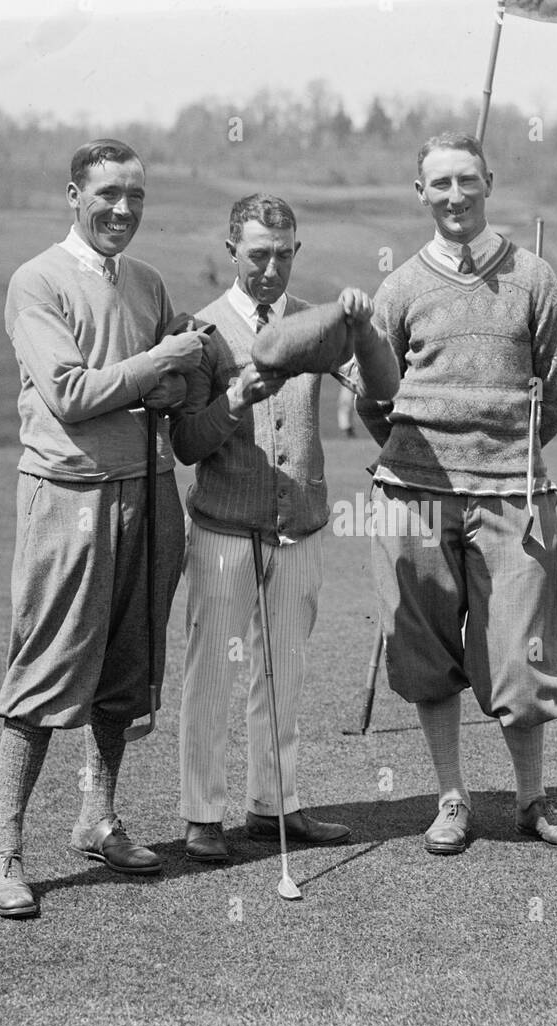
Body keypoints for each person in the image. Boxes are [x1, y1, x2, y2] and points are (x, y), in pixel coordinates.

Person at [0, 138, 212, 918]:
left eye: (136, 196)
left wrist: (175, 372)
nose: (122, 209)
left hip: (150, 492)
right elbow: (73, 393)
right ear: (73, 195)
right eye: (108, 193)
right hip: (70, 495)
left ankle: (98, 816)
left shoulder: (146, 283)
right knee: (46, 666)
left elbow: (174, 388)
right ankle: (4, 847)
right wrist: (161, 365)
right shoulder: (37, 281)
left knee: (127, 667)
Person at [356, 132, 557, 856]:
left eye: (466, 180)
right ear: (419, 193)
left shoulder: (532, 277)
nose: (454, 195)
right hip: (413, 498)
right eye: (439, 184)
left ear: (488, 181)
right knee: (425, 654)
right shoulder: (399, 287)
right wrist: (418, 455)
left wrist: (503, 455)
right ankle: (452, 797)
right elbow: (376, 398)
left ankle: (531, 799)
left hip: (513, 499)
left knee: (522, 662)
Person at [171, 193, 399, 863]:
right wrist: (234, 399)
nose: (271, 268)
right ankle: (202, 814)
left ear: (297, 251)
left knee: (285, 673)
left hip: (299, 525)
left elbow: (382, 390)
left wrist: (364, 326)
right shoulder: (202, 331)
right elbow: (188, 441)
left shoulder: (316, 323)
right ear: (231, 251)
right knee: (212, 671)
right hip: (223, 527)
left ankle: (275, 804)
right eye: (257, 254)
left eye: (284, 254)